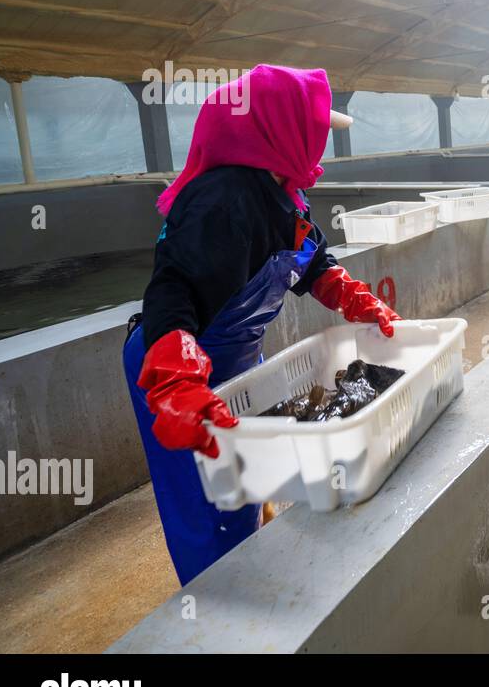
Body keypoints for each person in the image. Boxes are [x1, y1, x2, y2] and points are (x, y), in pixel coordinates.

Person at [122, 64, 400, 584]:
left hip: (241, 359)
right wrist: (177, 382)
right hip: (180, 371)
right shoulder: (222, 200)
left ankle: (255, 574)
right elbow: (173, 287)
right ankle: (219, 609)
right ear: (276, 129)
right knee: (209, 501)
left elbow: (310, 258)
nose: (318, 141)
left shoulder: (283, 189)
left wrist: (354, 298)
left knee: (251, 482)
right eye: (313, 128)